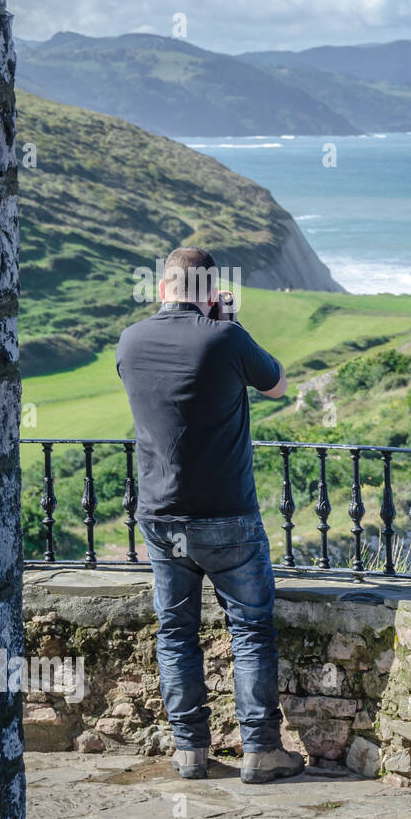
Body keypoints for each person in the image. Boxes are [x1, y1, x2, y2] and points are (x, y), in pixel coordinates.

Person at [115, 247, 304, 784]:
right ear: (211, 289)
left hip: (160, 516)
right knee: (249, 631)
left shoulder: (130, 341)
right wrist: (228, 323)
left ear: (162, 288)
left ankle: (190, 752)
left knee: (176, 631)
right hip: (228, 515)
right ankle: (260, 752)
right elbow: (276, 384)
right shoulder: (226, 337)